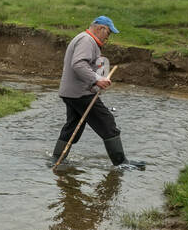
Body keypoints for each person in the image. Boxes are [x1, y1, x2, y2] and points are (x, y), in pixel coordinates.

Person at [50, 15, 145, 169]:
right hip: (81, 93)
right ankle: (121, 163)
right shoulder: (87, 41)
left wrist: (97, 77)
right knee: (107, 123)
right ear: (101, 28)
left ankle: (56, 158)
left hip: (72, 92)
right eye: (108, 32)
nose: (109, 37)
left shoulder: (84, 38)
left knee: (73, 126)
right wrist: (96, 79)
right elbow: (79, 64)